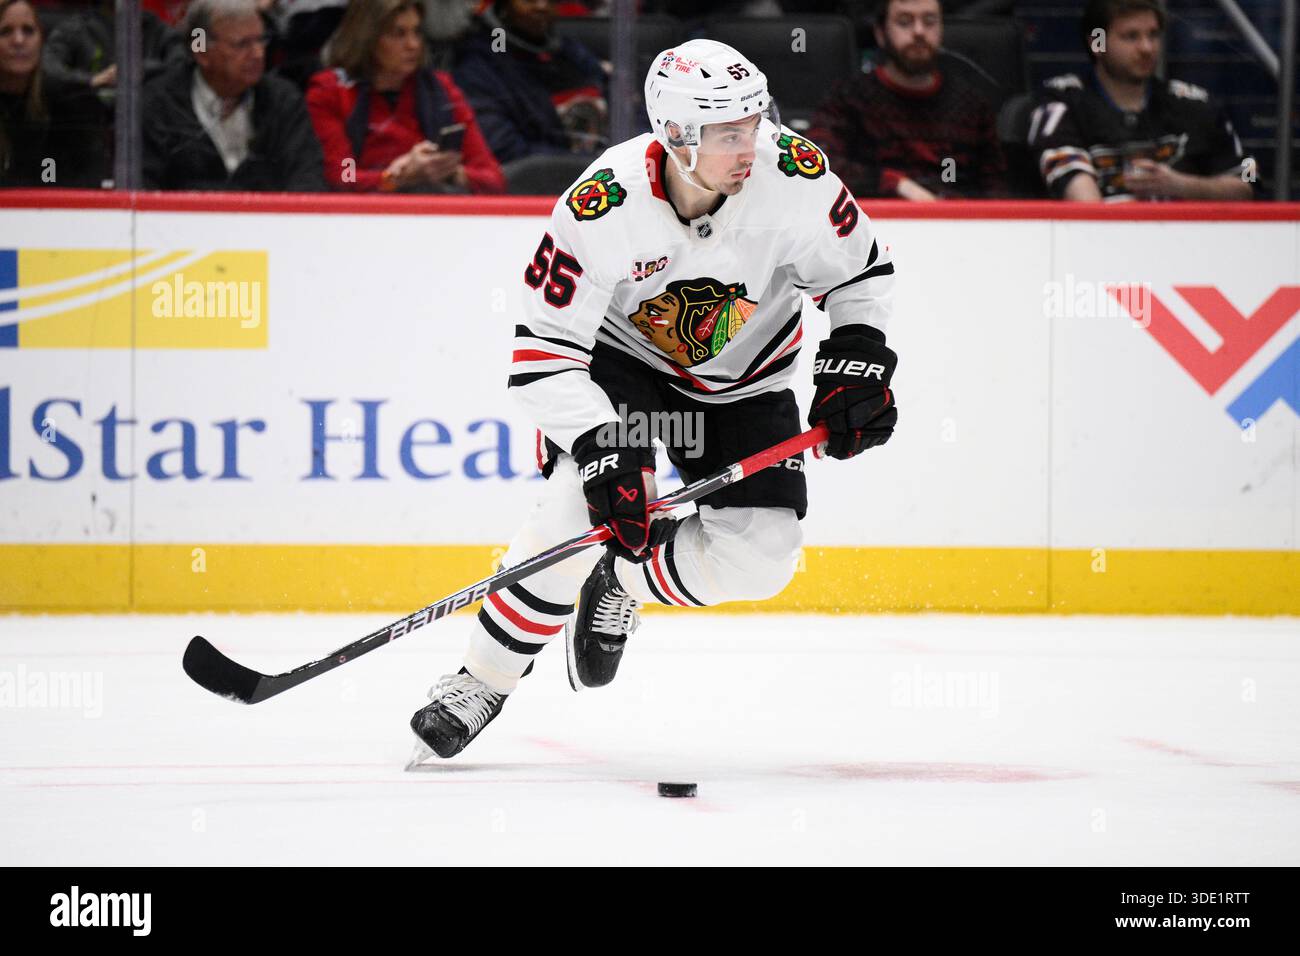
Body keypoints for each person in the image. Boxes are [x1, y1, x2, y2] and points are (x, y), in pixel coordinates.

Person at [409, 39, 899, 760]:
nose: (752, 144)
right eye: (729, 133)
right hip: (623, 370)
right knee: (576, 508)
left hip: (747, 381)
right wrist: (603, 447)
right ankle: (482, 678)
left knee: (763, 557)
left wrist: (857, 364)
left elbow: (859, 275)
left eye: (754, 123)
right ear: (676, 136)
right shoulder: (600, 204)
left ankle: (625, 577)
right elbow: (543, 356)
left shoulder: (794, 175)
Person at [1029, 0, 1254, 202]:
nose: (1147, 48)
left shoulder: (1196, 104)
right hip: (1100, 242)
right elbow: (1084, 202)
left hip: (1190, 241)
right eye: (1131, 36)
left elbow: (1248, 181)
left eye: (1153, 35)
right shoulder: (1062, 102)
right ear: (1097, 42)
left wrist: (1181, 185)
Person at [806, 0, 1005, 200]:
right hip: (879, 220)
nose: (919, 31)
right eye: (904, 22)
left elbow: (997, 188)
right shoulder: (848, 98)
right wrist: (893, 183)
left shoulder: (973, 106)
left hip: (962, 222)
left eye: (929, 21)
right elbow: (817, 162)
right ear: (881, 34)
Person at [306, 0, 503, 193]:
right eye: (398, 34)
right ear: (368, 37)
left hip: (433, 210)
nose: (413, 44)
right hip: (362, 218)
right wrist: (393, 179)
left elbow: (493, 178)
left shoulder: (442, 88)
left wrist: (448, 172)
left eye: (417, 32)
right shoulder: (330, 92)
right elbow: (342, 177)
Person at [141, 0, 325, 190]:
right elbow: (143, 187)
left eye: (261, 40)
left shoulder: (284, 100)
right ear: (202, 52)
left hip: (268, 217)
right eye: (242, 44)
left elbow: (308, 177)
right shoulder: (158, 104)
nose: (258, 53)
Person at [451, 0, 607, 165]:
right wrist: (591, 163)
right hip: (546, 181)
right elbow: (506, 151)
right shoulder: (481, 66)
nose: (542, 6)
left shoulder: (569, 52)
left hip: (608, 172)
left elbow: (624, 106)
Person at [0, 0, 106, 188]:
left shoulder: (70, 103)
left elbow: (76, 179)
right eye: (5, 32)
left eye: (28, 30)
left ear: (42, 38)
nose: (18, 41)